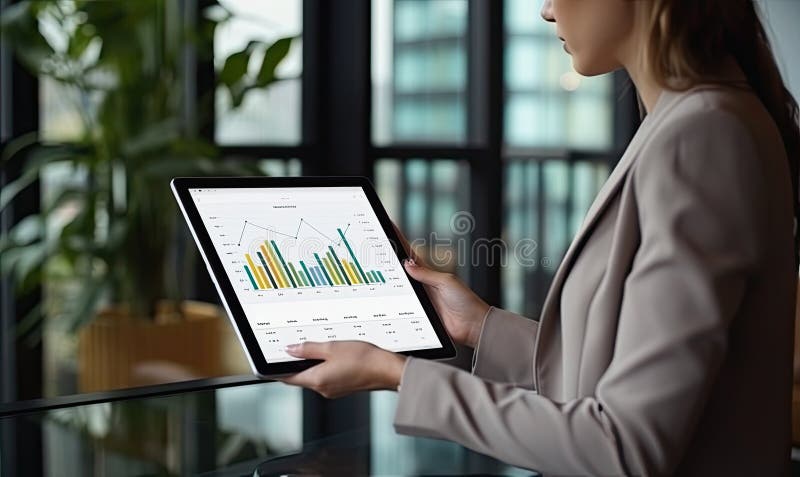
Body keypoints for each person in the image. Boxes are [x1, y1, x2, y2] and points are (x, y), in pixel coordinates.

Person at [277, 0, 800, 474]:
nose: (547, 11)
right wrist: (478, 325)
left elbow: (623, 446)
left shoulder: (701, 135)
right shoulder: (700, 121)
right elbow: (612, 377)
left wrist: (398, 375)